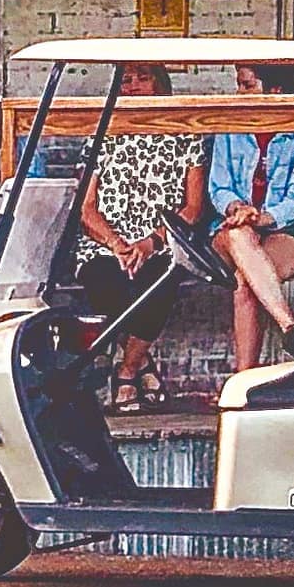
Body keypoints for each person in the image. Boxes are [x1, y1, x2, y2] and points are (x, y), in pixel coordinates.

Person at [187, 70, 294, 380]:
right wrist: (238, 209)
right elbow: (219, 186)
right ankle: (288, 323)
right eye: (239, 84)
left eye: (247, 85)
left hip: (289, 225)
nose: (239, 92)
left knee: (247, 280)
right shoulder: (231, 126)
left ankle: (242, 382)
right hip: (232, 225)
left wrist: (263, 217)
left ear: (275, 90)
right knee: (239, 234)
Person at [73, 63, 186, 405]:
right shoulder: (103, 134)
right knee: (108, 284)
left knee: (159, 284)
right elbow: (85, 207)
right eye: (126, 80)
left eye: (143, 78)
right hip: (105, 245)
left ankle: (125, 371)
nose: (134, 85)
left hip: (161, 242)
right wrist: (117, 244)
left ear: (160, 84)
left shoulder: (183, 134)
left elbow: (193, 208)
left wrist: (151, 242)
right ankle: (142, 364)